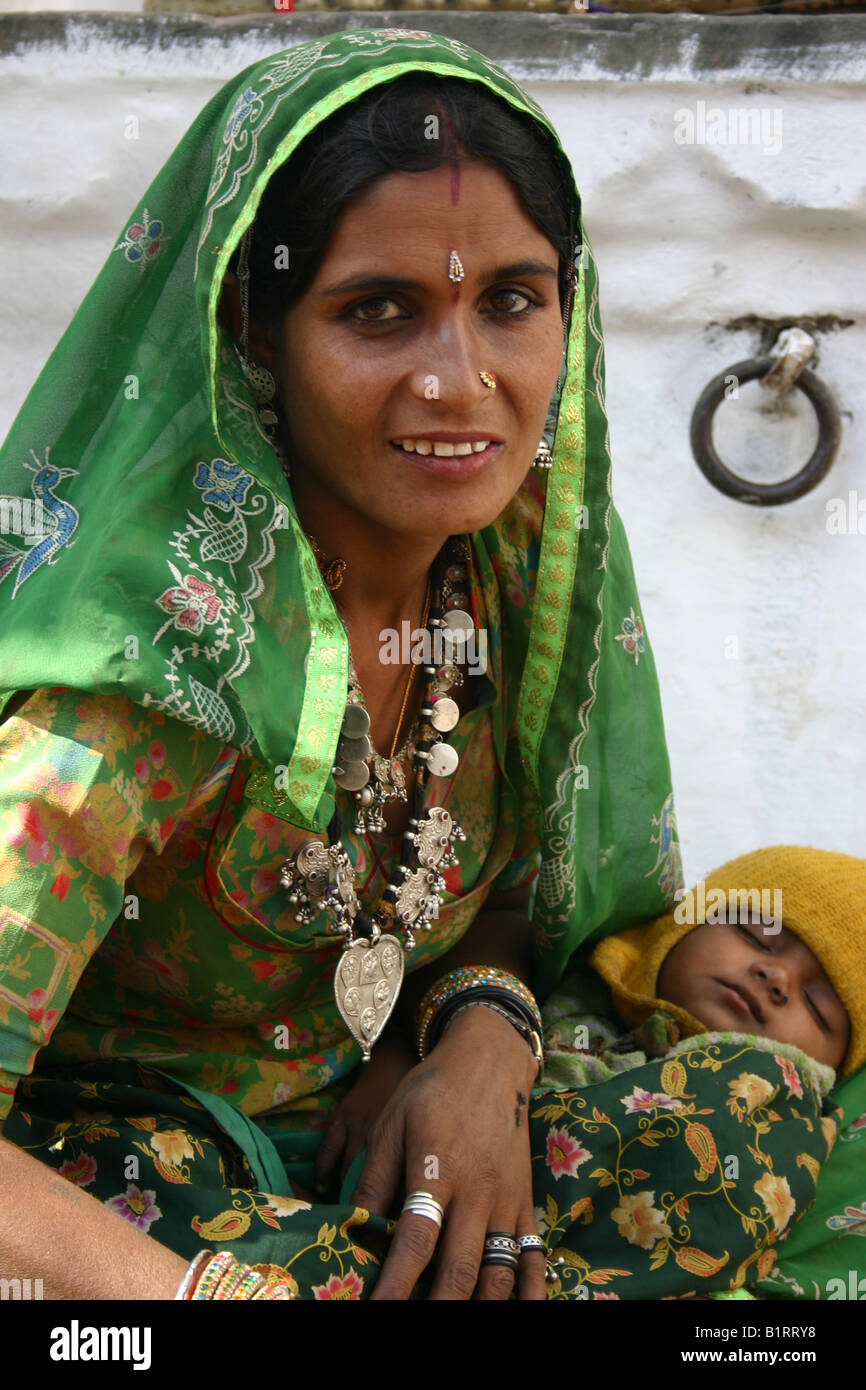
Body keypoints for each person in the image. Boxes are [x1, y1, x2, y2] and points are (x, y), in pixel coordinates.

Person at [0, 29, 682, 1301]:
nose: (459, 380)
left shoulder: (505, 576)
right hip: (123, 1189)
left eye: (511, 301)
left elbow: (525, 893)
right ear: (253, 334)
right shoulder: (155, 675)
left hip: (377, 1134)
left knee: (767, 1098)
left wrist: (474, 1042)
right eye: (378, 310)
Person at [535, 847, 866, 1299]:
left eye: (817, 1007)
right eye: (755, 935)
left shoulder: (788, 1117)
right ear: (682, 924)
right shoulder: (535, 994)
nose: (777, 979)